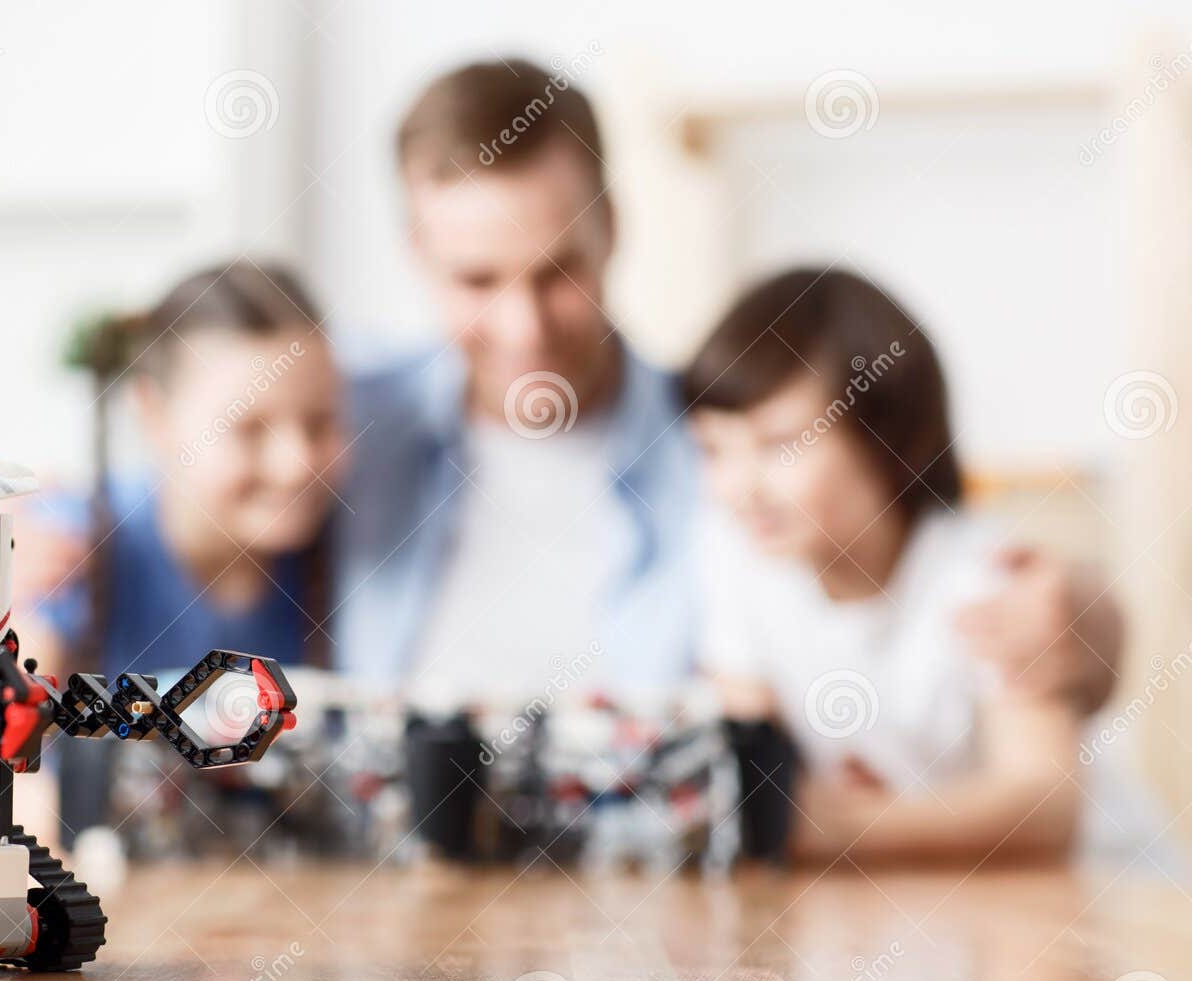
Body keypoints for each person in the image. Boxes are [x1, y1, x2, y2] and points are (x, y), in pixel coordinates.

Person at [334, 58, 1121, 717]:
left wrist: (1086, 619)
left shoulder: (725, 439)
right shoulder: (339, 421)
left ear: (613, 229)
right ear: (416, 253)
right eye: (476, 280)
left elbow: (915, 576)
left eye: (556, 272)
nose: (523, 327)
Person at [684, 268, 1152, 864]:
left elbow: (1047, 807)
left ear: (887, 436)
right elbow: (758, 780)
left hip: (1111, 894)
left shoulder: (984, 579)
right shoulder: (736, 559)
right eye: (712, 449)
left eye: (781, 444)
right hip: (929, 904)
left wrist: (839, 828)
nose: (738, 487)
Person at [22, 260, 343, 849]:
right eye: (250, 429)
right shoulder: (70, 544)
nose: (297, 463)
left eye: (321, 422)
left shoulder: (346, 554)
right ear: (154, 415)